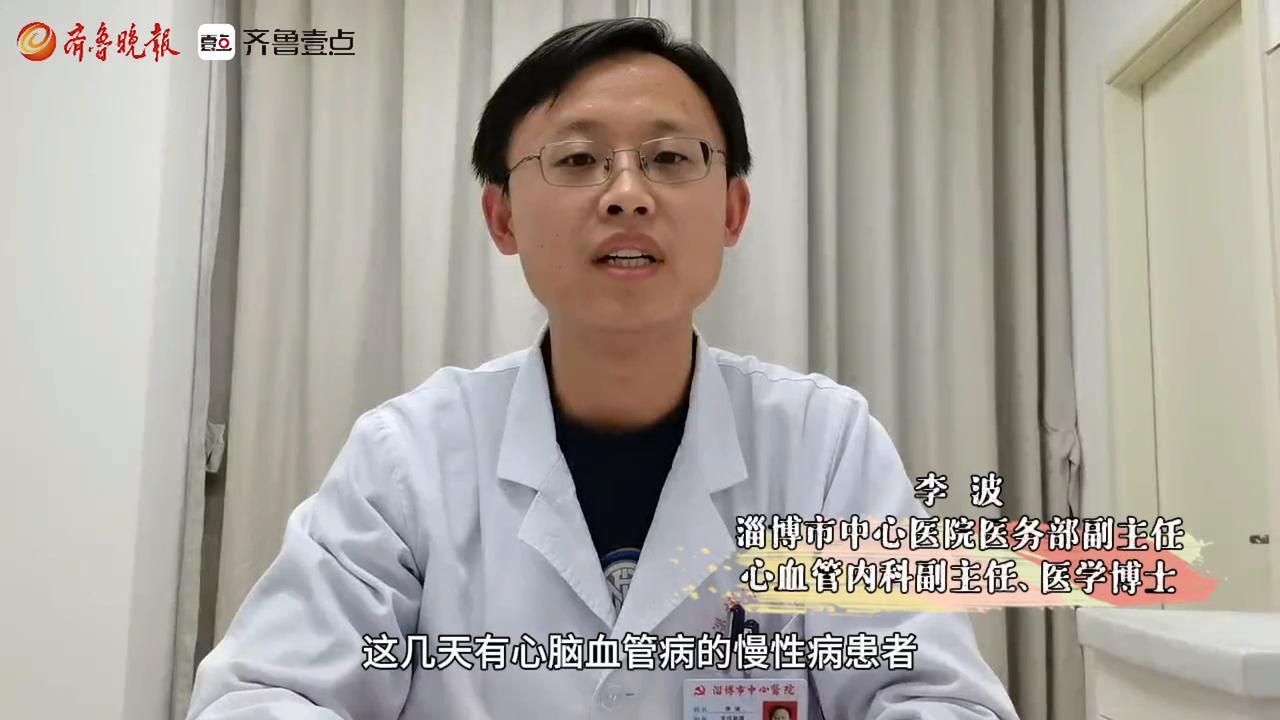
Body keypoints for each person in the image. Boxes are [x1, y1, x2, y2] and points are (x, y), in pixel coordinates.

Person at [186, 17, 1019, 720]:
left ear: (733, 211)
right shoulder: (407, 457)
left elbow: (934, 696)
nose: (626, 194)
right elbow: (263, 694)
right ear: (502, 217)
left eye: (670, 158)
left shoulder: (822, 447)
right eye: (578, 160)